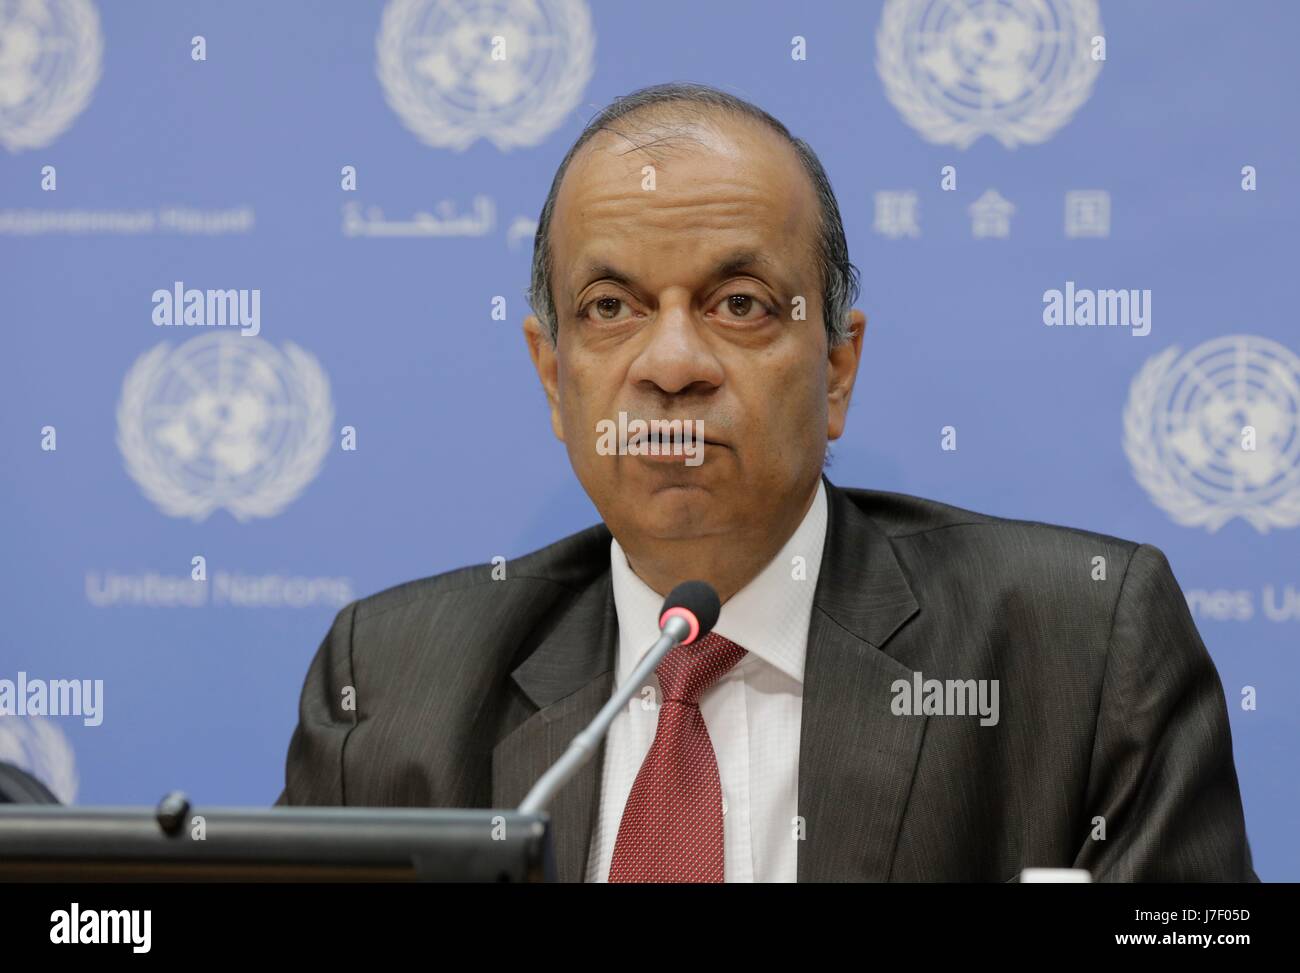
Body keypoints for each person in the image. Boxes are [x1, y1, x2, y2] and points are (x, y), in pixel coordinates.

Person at [277, 82, 1256, 883]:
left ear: (835, 369)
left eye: (737, 303)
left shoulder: (1078, 652)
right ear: (553, 375)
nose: (670, 362)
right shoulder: (394, 689)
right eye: (610, 305)